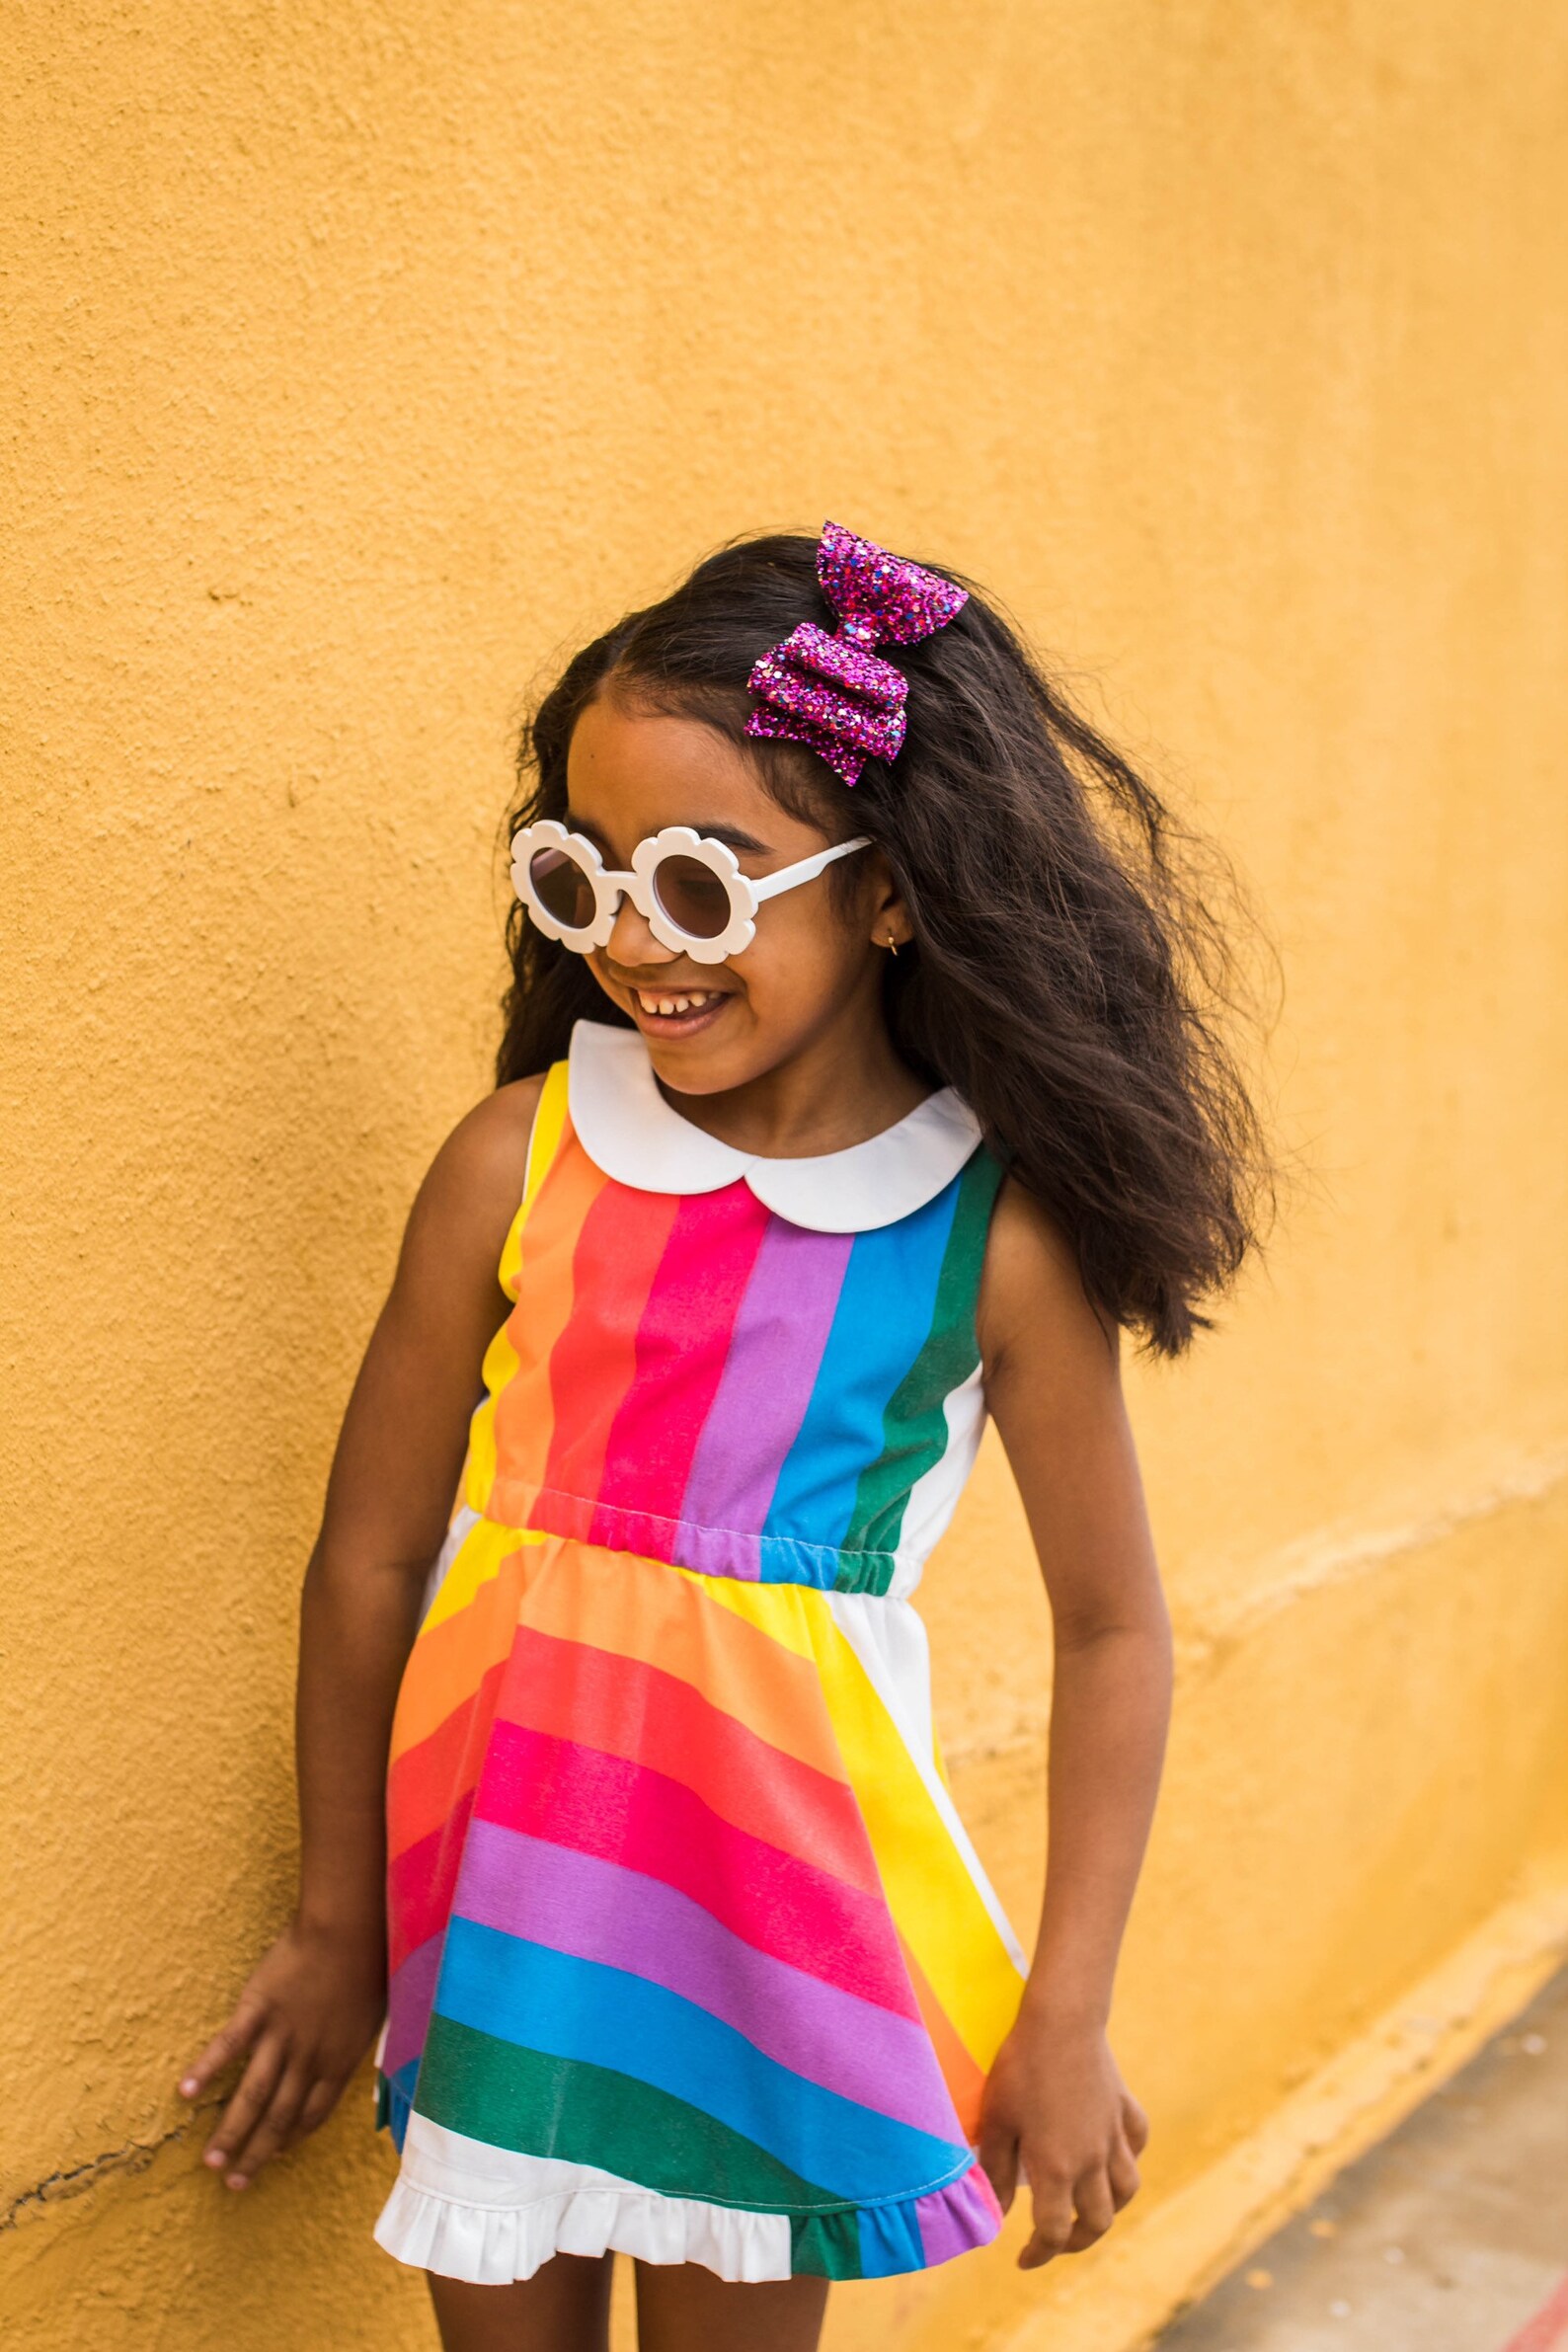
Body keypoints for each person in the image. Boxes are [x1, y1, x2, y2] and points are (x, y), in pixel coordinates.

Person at [178, 522, 1267, 2352]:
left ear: (893, 887)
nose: (629, 940)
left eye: (702, 881)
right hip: (507, 1925)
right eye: (584, 873)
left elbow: (1113, 1628)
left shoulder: (983, 1241)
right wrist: (334, 1920)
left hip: (780, 1956)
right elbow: (368, 1558)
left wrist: (1063, 2011)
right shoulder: (510, 1162)